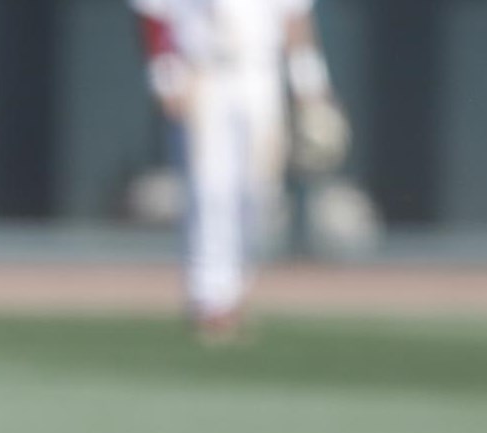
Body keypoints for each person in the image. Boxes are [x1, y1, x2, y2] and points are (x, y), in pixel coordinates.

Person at [130, 0, 346, 342]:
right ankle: (209, 295)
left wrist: (310, 85)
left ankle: (237, 289)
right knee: (210, 189)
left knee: (259, 191)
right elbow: (154, 12)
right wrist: (165, 75)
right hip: (203, 72)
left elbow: (295, 16)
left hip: (260, 71)